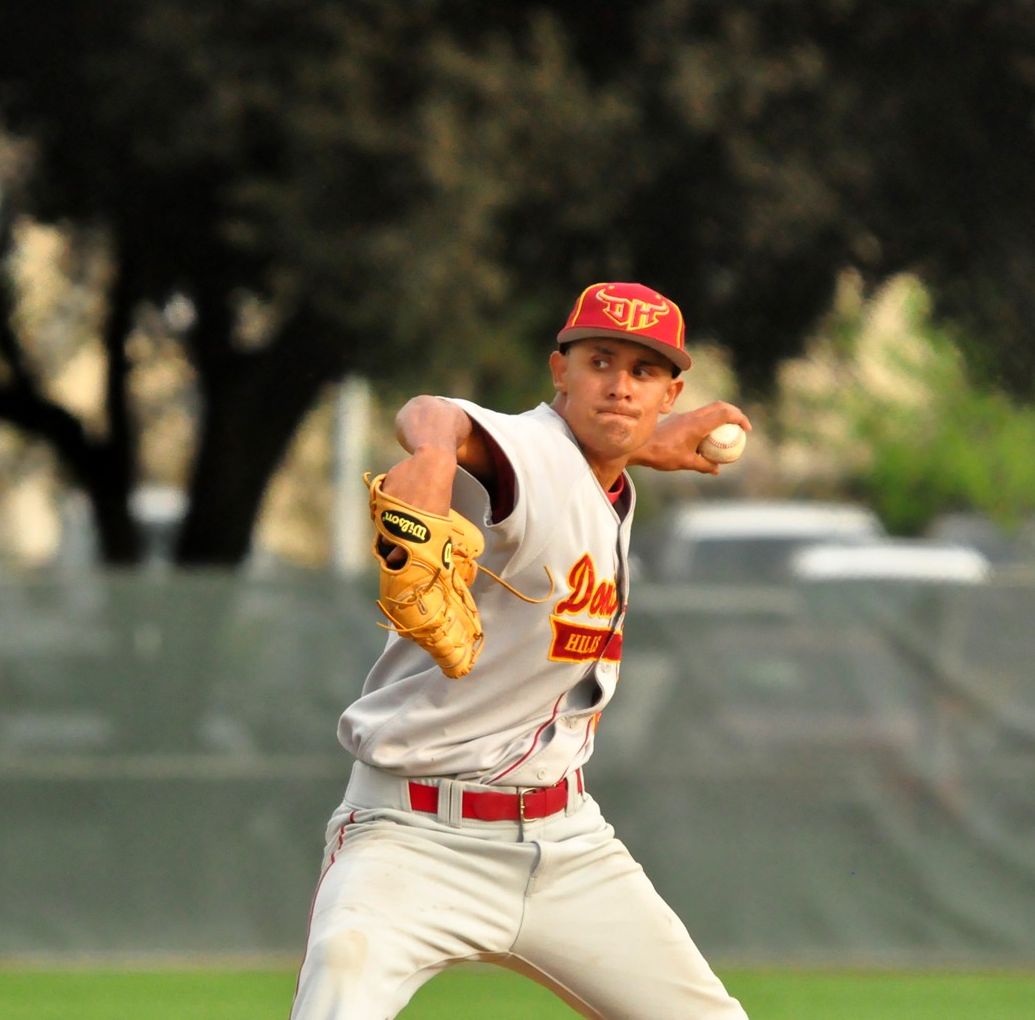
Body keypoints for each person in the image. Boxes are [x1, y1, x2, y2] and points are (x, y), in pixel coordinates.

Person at [290, 282, 753, 1019]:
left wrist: (646, 445)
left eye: (643, 371)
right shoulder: (529, 452)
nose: (620, 385)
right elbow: (432, 414)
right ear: (559, 371)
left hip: (565, 840)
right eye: (600, 361)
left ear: (671, 393)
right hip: (412, 837)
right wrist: (437, 456)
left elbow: (598, 462)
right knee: (341, 983)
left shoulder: (607, 472)